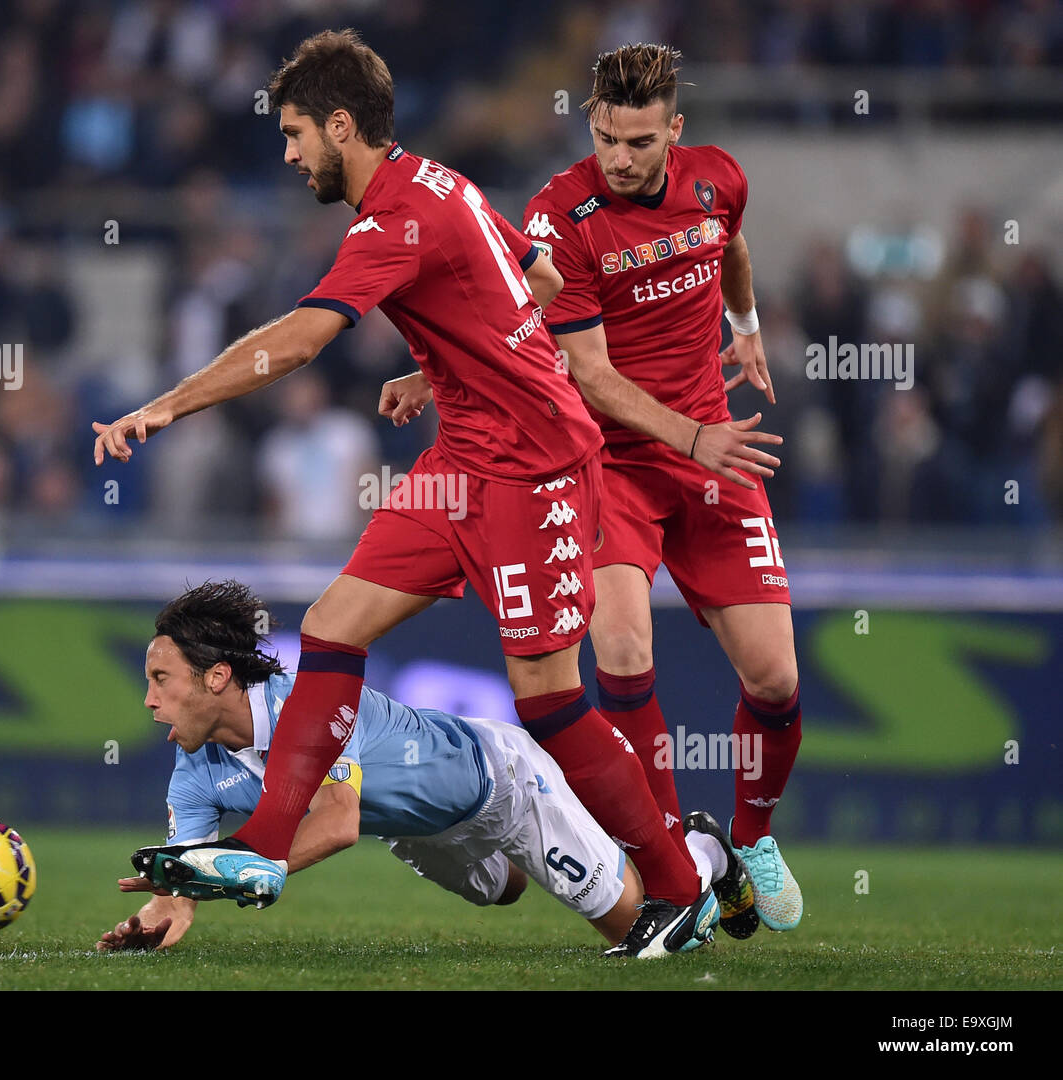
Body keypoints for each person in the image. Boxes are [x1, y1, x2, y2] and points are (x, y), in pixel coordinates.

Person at [92, 30, 715, 956]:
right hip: (463, 457)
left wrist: (169, 404)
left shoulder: (393, 221)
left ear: (343, 126)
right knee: (332, 627)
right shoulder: (443, 183)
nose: (292, 153)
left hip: (536, 469)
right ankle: (264, 847)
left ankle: (677, 884)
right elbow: (533, 279)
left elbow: (298, 343)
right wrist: (450, 369)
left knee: (547, 700)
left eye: (298, 133)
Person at [517, 43, 803, 932]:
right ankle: (678, 862)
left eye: (639, 141)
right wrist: (693, 437)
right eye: (606, 136)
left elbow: (733, 246)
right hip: (612, 466)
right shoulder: (561, 214)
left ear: (674, 132)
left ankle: (750, 839)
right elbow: (592, 378)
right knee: (626, 655)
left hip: (712, 457)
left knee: (778, 682)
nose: (619, 157)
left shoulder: (717, 181)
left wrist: (746, 325)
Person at [96, 581, 749, 956]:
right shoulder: (192, 772)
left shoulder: (303, 702)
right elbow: (183, 876)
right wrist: (163, 912)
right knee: (505, 891)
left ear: (216, 677)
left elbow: (338, 820)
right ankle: (585, 844)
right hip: (419, 831)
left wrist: (252, 865)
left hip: (501, 782)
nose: (149, 699)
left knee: (642, 937)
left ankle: (701, 855)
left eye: (161, 679)